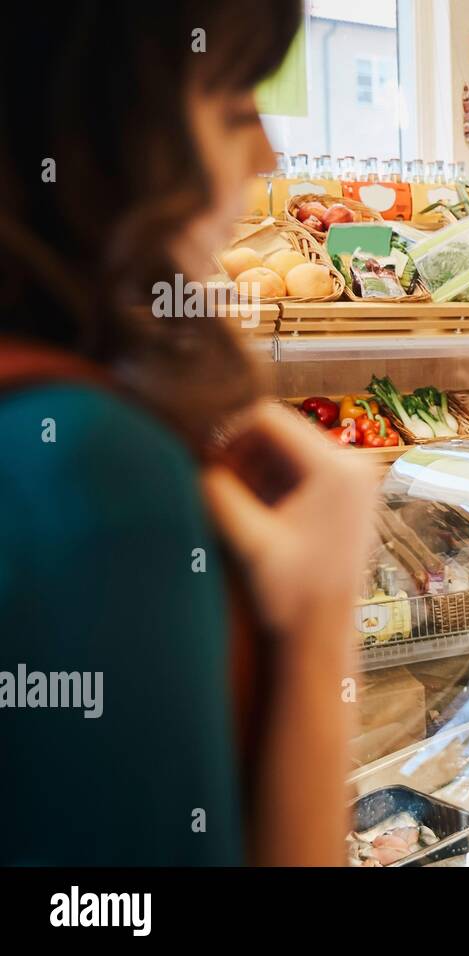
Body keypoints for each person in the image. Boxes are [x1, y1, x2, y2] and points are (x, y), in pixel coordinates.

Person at [0, 2, 376, 865]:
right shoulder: (93, 467)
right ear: (108, 121)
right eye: (238, 107)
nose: (267, 157)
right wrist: (320, 623)